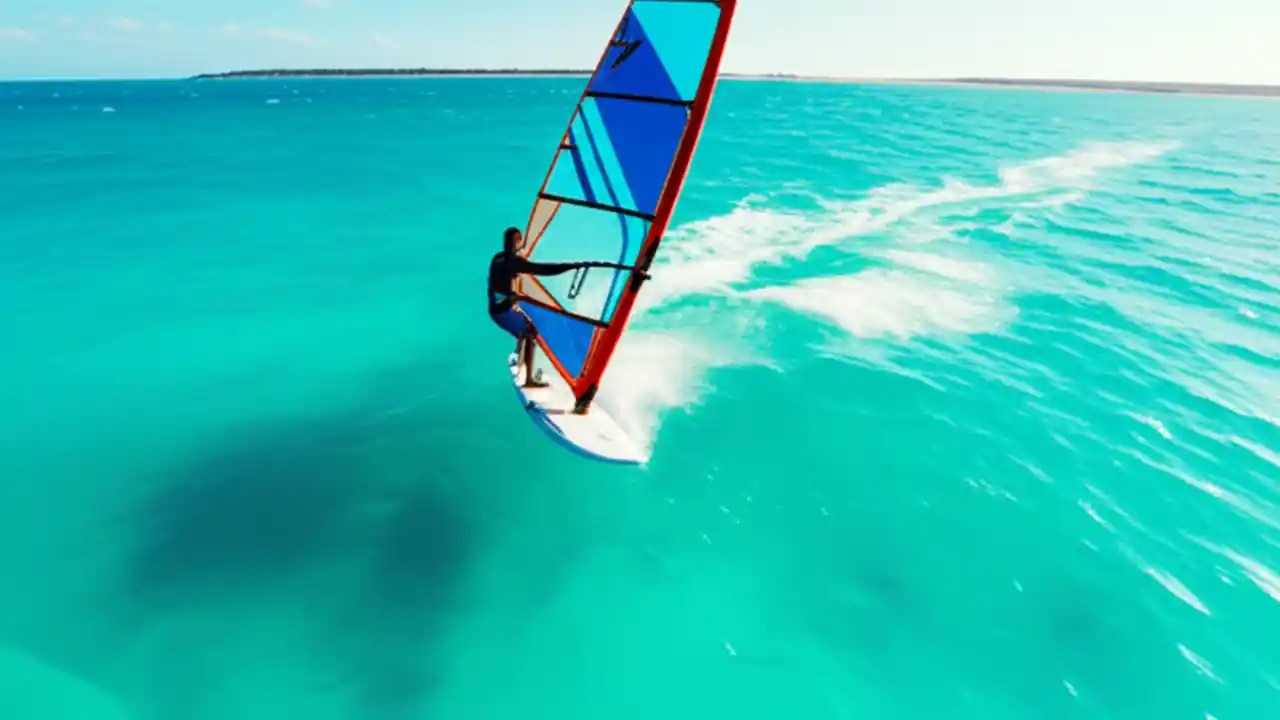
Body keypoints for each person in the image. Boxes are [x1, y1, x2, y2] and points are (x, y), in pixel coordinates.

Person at [489, 227, 630, 388]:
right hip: (503, 311)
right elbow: (545, 270)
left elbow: (502, 283)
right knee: (530, 332)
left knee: (526, 327)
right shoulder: (512, 262)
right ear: (516, 242)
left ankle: (521, 357)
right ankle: (528, 380)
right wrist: (570, 266)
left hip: (497, 309)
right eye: (515, 241)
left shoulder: (498, 258)